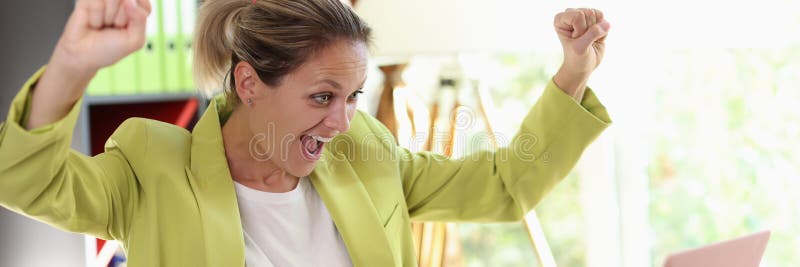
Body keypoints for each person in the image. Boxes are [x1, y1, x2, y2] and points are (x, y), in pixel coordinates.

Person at [0, 0, 612, 266]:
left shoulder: (365, 155)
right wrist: (72, 65)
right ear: (248, 83)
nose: (342, 122)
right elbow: (23, 180)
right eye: (321, 97)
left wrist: (574, 72)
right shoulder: (151, 166)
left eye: (353, 97)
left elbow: (504, 186)